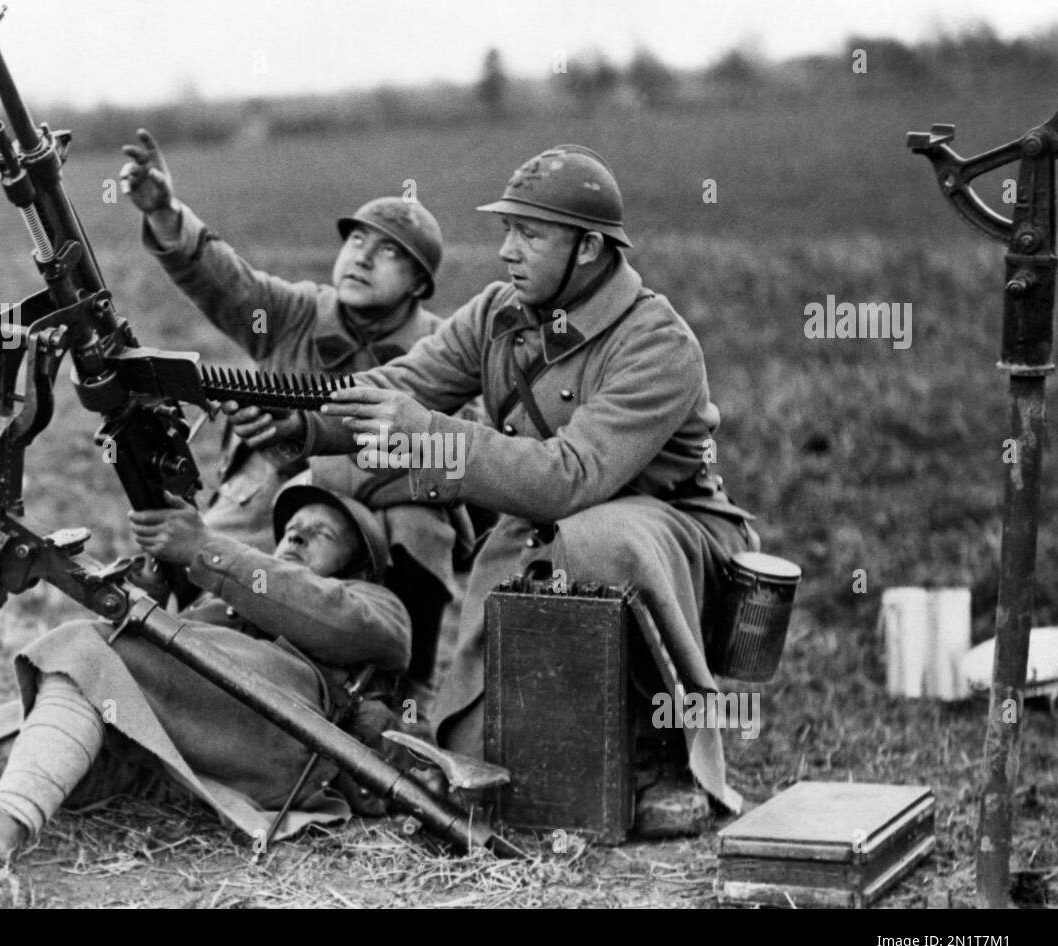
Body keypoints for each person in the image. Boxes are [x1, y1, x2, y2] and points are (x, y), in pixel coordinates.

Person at [226, 144, 759, 828]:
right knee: (482, 764)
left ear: (590, 249)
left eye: (529, 234)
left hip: (671, 540)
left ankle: (661, 752)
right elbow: (399, 386)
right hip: (538, 529)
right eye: (507, 229)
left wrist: (427, 433)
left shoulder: (658, 344)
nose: (506, 250)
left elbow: (573, 478)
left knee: (601, 538)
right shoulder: (498, 314)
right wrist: (296, 417)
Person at [0, 484, 408, 908]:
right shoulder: (228, 603)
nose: (292, 537)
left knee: (80, 645)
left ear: (362, 563)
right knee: (1, 742)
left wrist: (206, 549)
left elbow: (324, 615)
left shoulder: (379, 609)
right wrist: (156, 592)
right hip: (182, 748)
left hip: (284, 739)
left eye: (317, 533)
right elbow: (175, 658)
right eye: (289, 528)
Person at [120, 133, 460, 689]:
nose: (362, 258)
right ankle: (193, 661)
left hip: (376, 501)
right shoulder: (294, 311)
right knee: (202, 551)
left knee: (423, 531)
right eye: (355, 241)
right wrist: (165, 213)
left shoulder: (442, 347)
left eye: (389, 250)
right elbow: (225, 281)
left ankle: (406, 685)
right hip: (266, 494)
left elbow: (458, 448)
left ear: (420, 283)